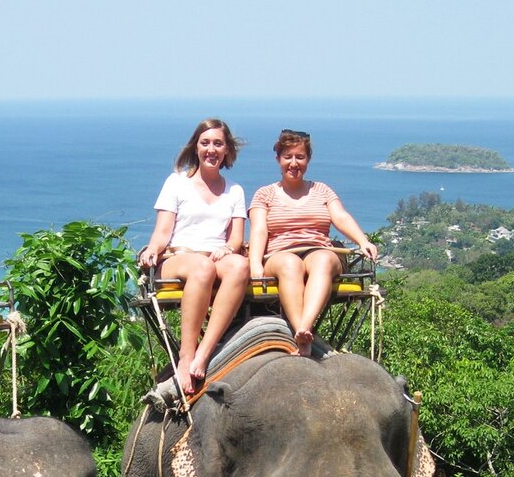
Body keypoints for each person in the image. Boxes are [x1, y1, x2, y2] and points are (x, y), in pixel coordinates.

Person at [138, 118, 249, 395]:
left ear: (227, 151)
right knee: (202, 268)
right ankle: (187, 356)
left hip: (216, 257)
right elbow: (163, 231)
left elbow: (236, 237)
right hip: (180, 257)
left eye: (218, 144)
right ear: (196, 148)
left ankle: (204, 352)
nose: (211, 149)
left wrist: (229, 248)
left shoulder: (234, 190)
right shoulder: (176, 182)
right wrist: (153, 249)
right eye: (205, 143)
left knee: (238, 266)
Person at [248, 129, 378, 355]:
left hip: (319, 248)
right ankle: (302, 333)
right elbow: (259, 230)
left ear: (308, 159)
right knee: (290, 264)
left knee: (323, 260)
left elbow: (340, 216)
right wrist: (255, 264)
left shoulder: (321, 190)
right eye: (288, 156)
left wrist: (362, 240)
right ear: (278, 159)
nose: (294, 163)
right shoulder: (264, 194)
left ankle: (303, 328)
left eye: (300, 157)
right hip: (279, 254)